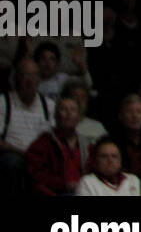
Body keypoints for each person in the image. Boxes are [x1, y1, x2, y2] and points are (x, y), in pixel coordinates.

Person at [1, 59, 55, 194]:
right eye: (25, 75)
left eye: (34, 75)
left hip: (41, 158)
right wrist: (24, 153)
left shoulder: (48, 105)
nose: (30, 80)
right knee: (13, 163)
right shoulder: (3, 102)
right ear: (16, 78)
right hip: (13, 155)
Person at [25, 97, 84, 196]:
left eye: (73, 110)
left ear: (79, 117)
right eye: (64, 109)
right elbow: (35, 175)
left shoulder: (86, 144)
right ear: (56, 116)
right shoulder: (44, 142)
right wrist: (64, 184)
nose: (68, 113)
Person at [75, 140, 140, 196]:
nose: (110, 160)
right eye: (104, 156)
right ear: (96, 160)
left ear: (120, 161)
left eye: (114, 156)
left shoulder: (133, 180)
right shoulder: (87, 182)